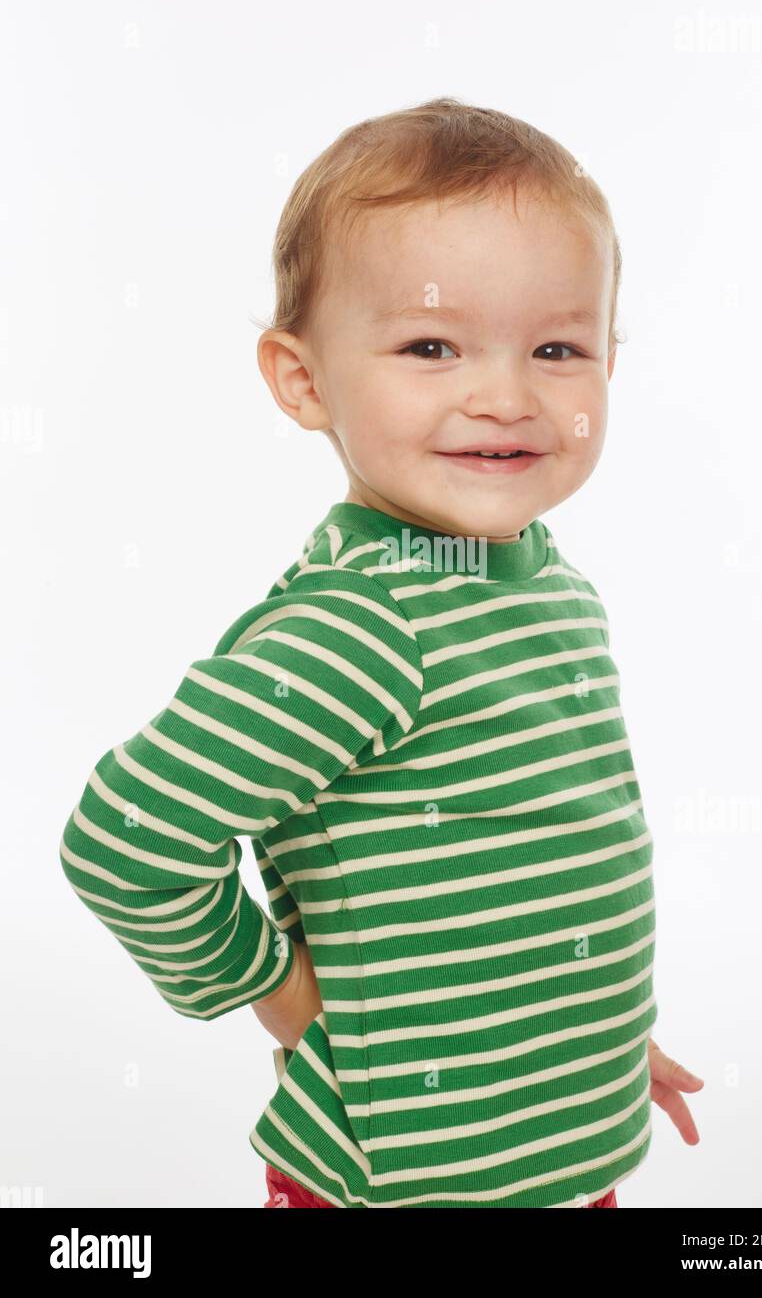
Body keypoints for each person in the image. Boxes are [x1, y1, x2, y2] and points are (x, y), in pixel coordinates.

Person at [60, 97, 703, 1209]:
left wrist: (593, 1053)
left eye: (556, 346)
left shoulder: (545, 583)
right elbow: (128, 839)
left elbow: (533, 863)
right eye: (429, 346)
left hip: (553, 1150)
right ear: (303, 381)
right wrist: (281, 993)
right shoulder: (361, 625)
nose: (502, 394)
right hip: (402, 1177)